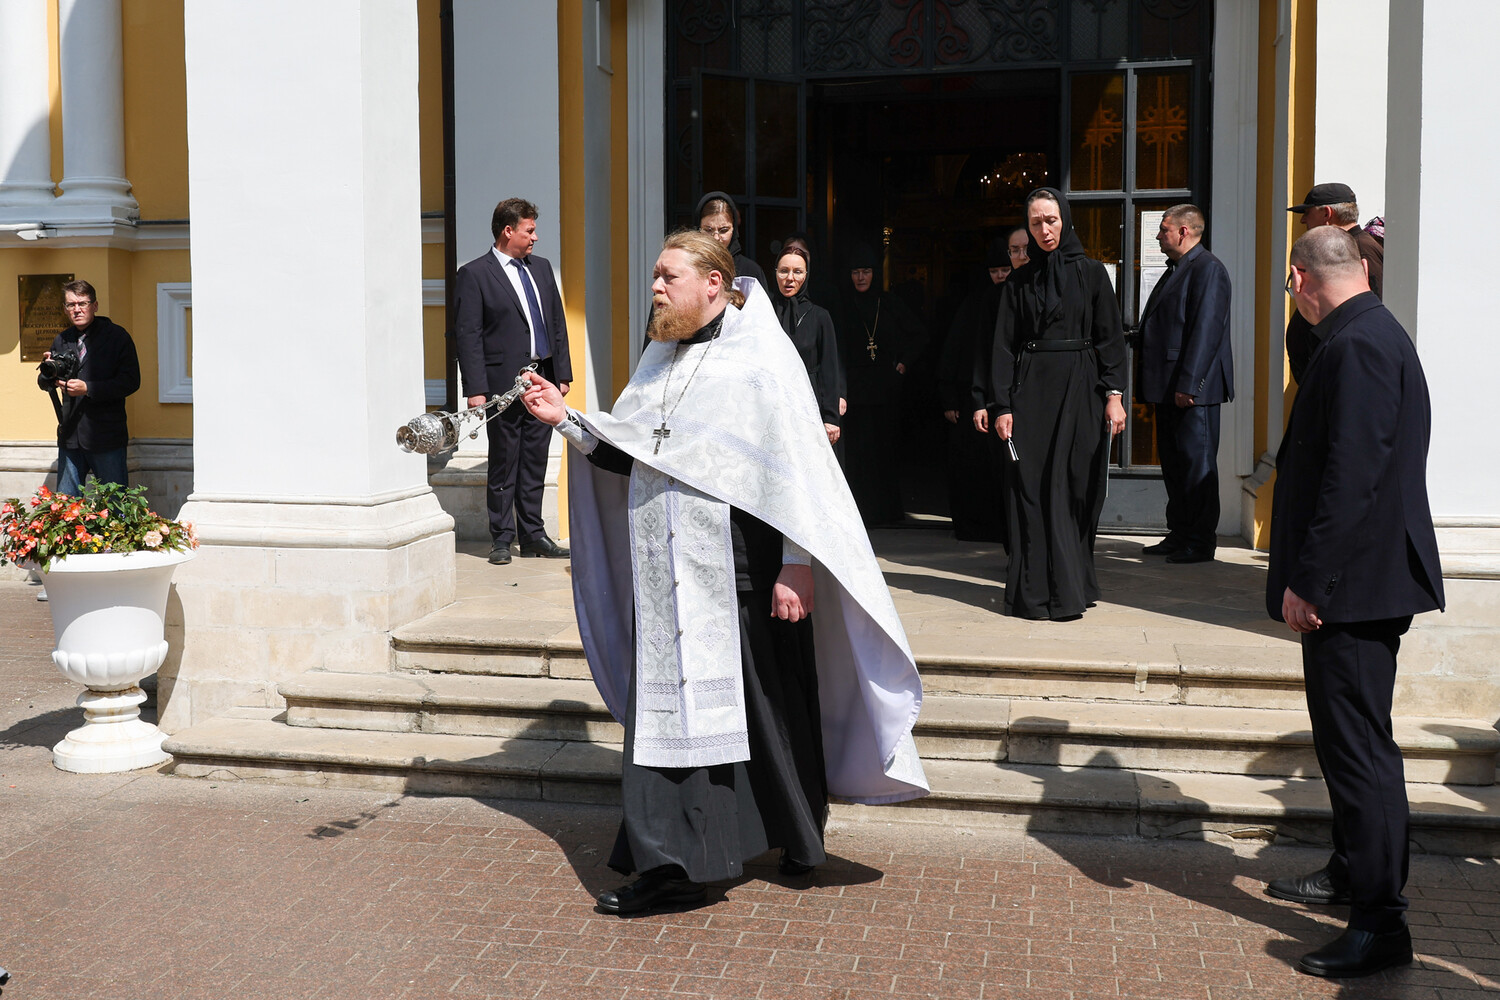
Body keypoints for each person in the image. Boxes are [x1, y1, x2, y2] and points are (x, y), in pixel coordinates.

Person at [519, 229, 928, 915]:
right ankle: (676, 864)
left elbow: (797, 476)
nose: (656, 286)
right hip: (664, 568)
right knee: (673, 716)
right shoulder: (658, 362)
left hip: (739, 568)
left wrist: (797, 567)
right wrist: (568, 421)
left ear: (714, 283)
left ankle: (795, 833)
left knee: (767, 711)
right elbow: (634, 452)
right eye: (654, 274)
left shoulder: (762, 364)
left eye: (667, 276)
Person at [1265, 226, 1444, 979]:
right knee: (1352, 749)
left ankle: (1381, 922)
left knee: (1361, 751)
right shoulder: (1365, 333)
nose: (1294, 298)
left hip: (1356, 589)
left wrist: (1313, 580)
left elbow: (1352, 478)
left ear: (1305, 279)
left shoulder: (1360, 344)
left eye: (1290, 287)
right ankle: (1351, 874)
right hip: (1359, 582)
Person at [986, 188, 1126, 620]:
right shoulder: (1018, 281)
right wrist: (1002, 405)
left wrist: (1114, 395)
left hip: (1081, 392)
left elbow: (1110, 339)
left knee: (1073, 486)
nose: (1044, 230)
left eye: (1050, 220)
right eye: (1035, 223)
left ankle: (1072, 587)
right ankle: (1033, 593)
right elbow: (1003, 348)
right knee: (1031, 487)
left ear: (1064, 219)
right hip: (1031, 396)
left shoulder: (1093, 274)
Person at [453, 197, 574, 566]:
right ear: (509, 230)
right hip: (501, 387)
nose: (535, 237)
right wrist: (475, 389)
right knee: (505, 460)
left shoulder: (541, 268)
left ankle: (534, 534)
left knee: (535, 459)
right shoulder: (475, 274)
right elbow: (468, 333)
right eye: (530, 229)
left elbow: (556, 322)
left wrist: (562, 374)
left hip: (542, 381)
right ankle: (502, 538)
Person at [1137, 205, 1233, 564]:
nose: (1158, 236)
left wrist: (1190, 384)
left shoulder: (1208, 269)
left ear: (1184, 231)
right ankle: (1179, 533)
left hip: (1194, 391)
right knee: (1175, 465)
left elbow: (1206, 331)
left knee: (1197, 466)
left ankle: (1199, 540)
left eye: (1163, 230)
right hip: (1169, 387)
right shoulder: (1178, 268)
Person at [937, 231, 1020, 544]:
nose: (999, 276)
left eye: (1004, 270)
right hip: (971, 398)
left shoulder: (1015, 298)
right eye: (994, 271)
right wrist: (950, 396)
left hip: (1004, 399)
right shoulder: (974, 304)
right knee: (971, 469)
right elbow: (954, 352)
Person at [835, 241, 924, 525]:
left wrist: (903, 363)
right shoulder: (842, 306)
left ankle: (886, 512)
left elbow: (920, 335)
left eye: (866, 271)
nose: (861, 278)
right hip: (855, 391)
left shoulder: (888, 302)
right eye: (856, 272)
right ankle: (860, 515)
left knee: (884, 451)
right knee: (858, 454)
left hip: (885, 389)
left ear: (875, 274)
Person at [38, 280, 140, 496]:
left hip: (106, 435)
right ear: (65, 309)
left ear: (95, 305)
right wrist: (48, 371)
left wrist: (88, 388)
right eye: (70, 305)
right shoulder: (62, 340)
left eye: (82, 303)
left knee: (115, 504)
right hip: (71, 435)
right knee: (66, 505)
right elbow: (44, 383)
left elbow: (131, 381)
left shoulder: (116, 337)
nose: (77, 309)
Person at [1284, 183, 1384, 384]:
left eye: (1307, 212)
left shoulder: (1361, 250)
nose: (1303, 220)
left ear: (1327, 213)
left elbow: (1369, 311)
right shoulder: (1347, 246)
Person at [772, 244, 843, 445]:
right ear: (775, 273)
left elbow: (829, 368)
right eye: (784, 271)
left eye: (798, 272)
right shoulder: (764, 311)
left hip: (808, 400)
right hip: (772, 401)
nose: (790, 278)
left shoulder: (820, 316)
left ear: (806, 275)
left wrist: (830, 417)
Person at [696, 191, 766, 290]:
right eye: (708, 230)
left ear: (734, 230)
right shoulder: (686, 266)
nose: (716, 237)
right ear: (698, 229)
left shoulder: (750, 272)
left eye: (723, 230)